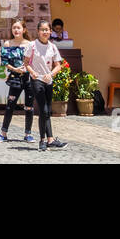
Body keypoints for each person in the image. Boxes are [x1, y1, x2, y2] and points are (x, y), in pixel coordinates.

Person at [28, 20, 68, 152]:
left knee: (47, 111)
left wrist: (50, 74)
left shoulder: (52, 47)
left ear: (50, 32)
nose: (45, 32)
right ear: (38, 31)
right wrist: (32, 72)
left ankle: (50, 140)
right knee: (44, 110)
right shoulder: (32, 45)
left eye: (47, 30)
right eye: (42, 30)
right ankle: (42, 140)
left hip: (48, 80)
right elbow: (26, 62)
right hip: (37, 80)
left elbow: (58, 66)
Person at [0, 19, 35, 144]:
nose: (16, 30)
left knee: (29, 107)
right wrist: (15, 69)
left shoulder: (30, 44)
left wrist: (28, 69)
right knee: (10, 105)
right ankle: (3, 133)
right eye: (14, 28)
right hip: (15, 78)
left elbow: (34, 61)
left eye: (18, 28)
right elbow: (4, 62)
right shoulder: (8, 43)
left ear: (24, 30)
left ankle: (28, 134)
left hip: (28, 78)